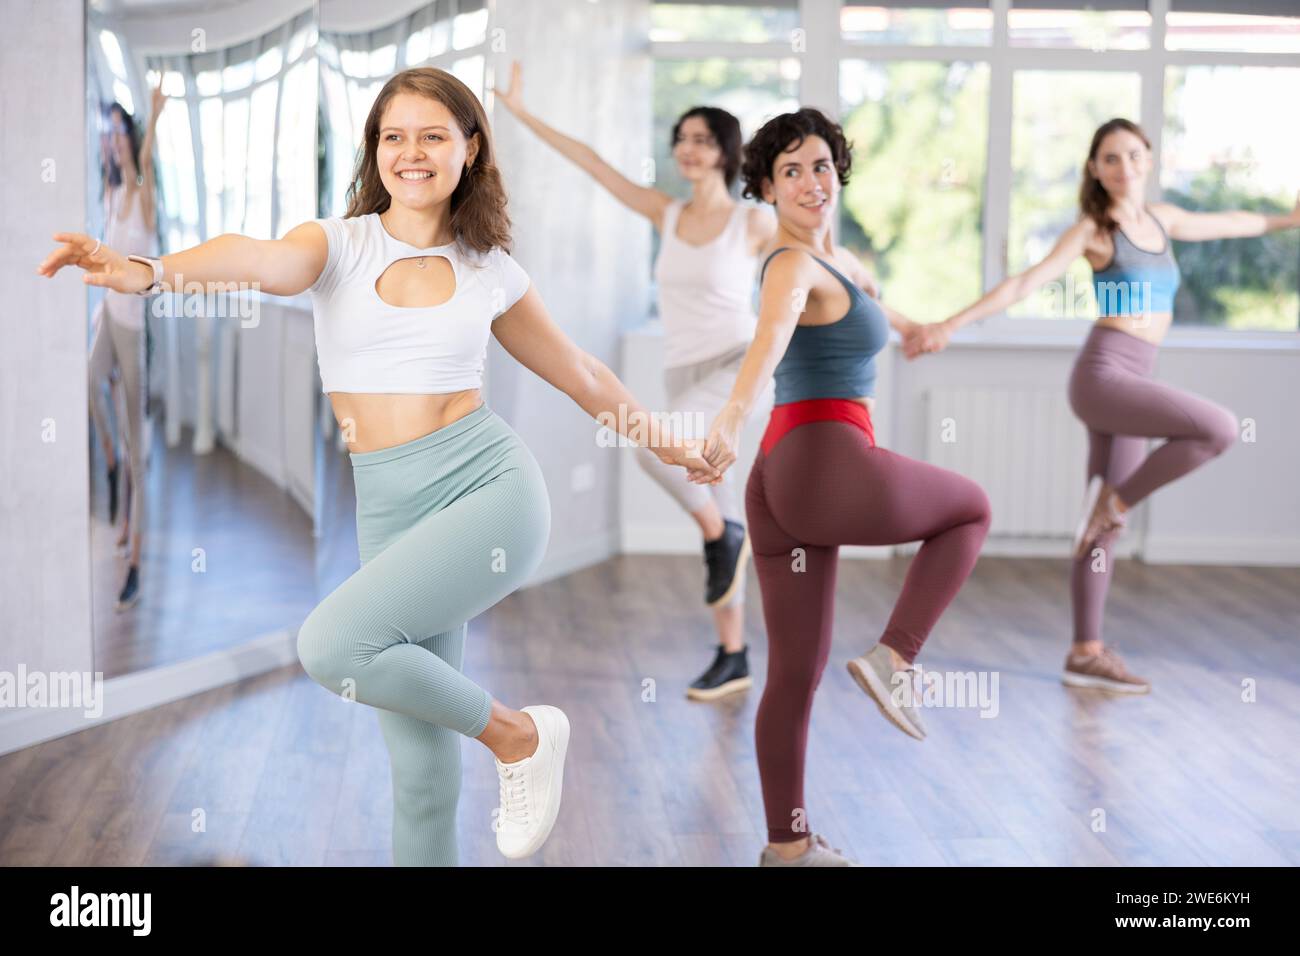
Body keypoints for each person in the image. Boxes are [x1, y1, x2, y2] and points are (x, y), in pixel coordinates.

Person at [39, 66, 717, 867]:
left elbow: (581, 373)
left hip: (487, 491)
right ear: (374, 151)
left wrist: (661, 434)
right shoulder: (337, 245)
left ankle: (521, 735)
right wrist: (149, 271)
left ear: (470, 148)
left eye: (433, 135)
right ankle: (512, 745)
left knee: (332, 645)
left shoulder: (488, 266)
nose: (411, 152)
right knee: (421, 763)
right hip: (388, 506)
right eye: (393, 136)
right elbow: (255, 259)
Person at [910, 117, 1300, 693]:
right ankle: (1113, 503)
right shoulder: (1095, 229)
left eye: (1133, 154)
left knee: (1103, 532)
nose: (1123, 166)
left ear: (1149, 160)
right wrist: (949, 324)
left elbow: (1232, 221)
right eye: (1110, 157)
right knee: (1217, 429)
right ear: (1095, 167)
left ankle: (1085, 651)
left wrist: (1286, 219)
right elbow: (1024, 283)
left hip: (1137, 376)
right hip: (1105, 376)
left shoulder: (1162, 220)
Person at [697, 108, 992, 866]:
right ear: (765, 187)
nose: (809, 182)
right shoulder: (790, 265)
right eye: (789, 171)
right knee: (970, 509)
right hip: (824, 458)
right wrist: (729, 418)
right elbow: (770, 339)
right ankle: (896, 658)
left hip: (781, 478)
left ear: (839, 173)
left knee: (795, 672)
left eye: (820, 165)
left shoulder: (840, 261)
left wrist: (916, 328)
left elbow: (876, 305)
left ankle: (787, 846)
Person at [497, 61, 781, 700]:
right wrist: (518, 112)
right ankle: (733, 654)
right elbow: (595, 164)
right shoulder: (667, 214)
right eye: (682, 137)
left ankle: (719, 536)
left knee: (651, 447)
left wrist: (875, 298)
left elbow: (812, 251)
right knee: (720, 499)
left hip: (738, 370)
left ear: (728, 151)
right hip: (685, 374)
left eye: (702, 138)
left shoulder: (753, 223)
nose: (687, 147)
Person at [88, 86, 165, 609]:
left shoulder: (142, 193)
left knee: (141, 450)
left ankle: (135, 561)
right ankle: (110, 465)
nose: (113, 140)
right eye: (109, 133)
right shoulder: (114, 195)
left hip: (133, 330)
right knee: (90, 385)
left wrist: (153, 118)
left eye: (119, 131)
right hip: (105, 320)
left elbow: (142, 162)